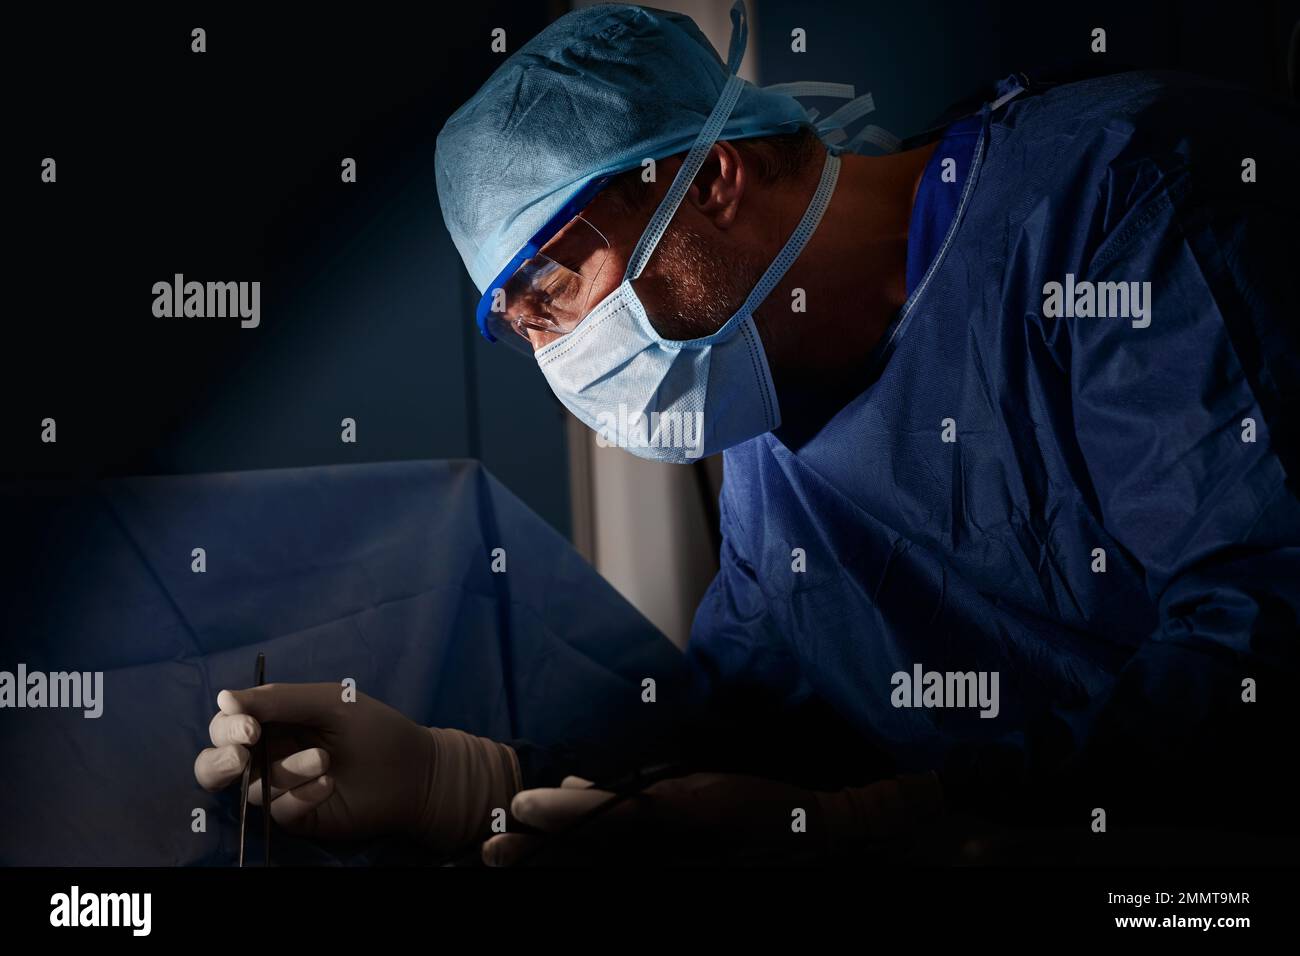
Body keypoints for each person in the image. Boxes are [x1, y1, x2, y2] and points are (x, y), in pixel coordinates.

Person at [195, 2, 1300, 865]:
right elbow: (748, 742)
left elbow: (1265, 647)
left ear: (711, 178)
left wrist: (869, 828)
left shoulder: (1126, 200)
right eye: (522, 328)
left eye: (556, 288)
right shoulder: (765, 440)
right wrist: (461, 783)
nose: (561, 360)